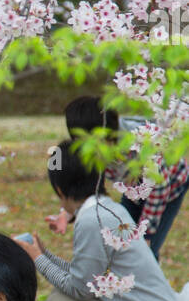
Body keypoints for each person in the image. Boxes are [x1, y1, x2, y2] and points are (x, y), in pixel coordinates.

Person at [18, 140, 189, 301]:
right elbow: (85, 279)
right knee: (60, 299)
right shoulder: (106, 209)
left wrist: (37, 258)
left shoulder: (93, 220)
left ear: (60, 191)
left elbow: (80, 290)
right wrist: (44, 255)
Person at [61, 96, 189, 260]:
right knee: (121, 245)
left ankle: (149, 280)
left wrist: (147, 236)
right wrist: (66, 213)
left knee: (145, 253)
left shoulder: (141, 143)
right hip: (133, 190)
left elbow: (160, 189)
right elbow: (90, 181)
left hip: (170, 186)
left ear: (104, 134)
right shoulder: (94, 149)